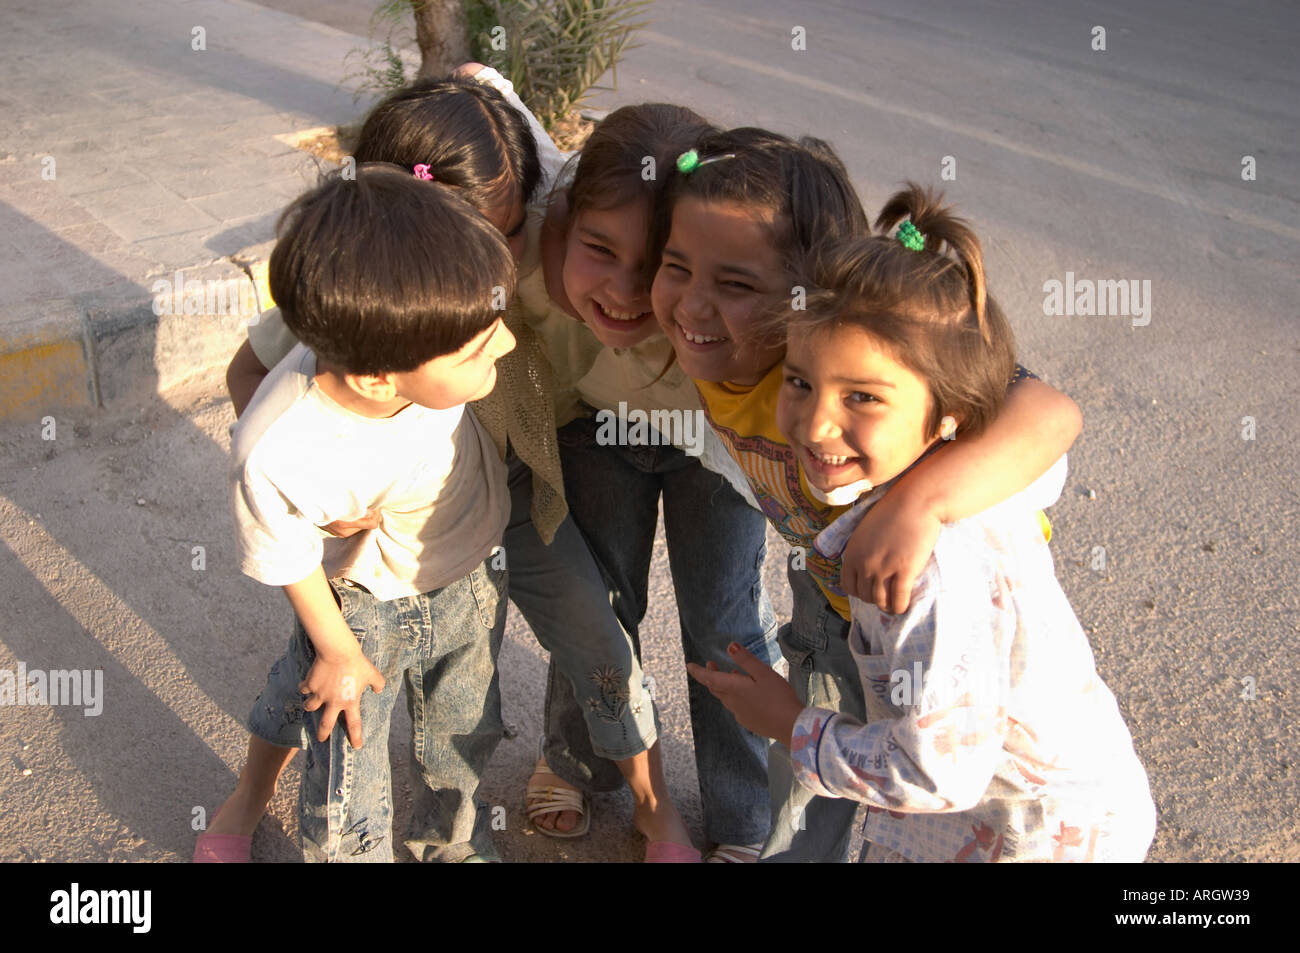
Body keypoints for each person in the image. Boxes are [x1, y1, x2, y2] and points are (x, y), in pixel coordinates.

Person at [203, 70, 695, 862]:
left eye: (502, 240)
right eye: (462, 238)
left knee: (583, 647)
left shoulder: (545, 243)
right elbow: (253, 390)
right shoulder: (370, 300)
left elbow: (552, 159)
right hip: (376, 558)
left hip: (505, 505)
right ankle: (249, 796)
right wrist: (324, 502)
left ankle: (652, 807)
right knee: (319, 687)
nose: (487, 279)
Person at [650, 130, 1084, 861]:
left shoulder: (869, 349)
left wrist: (922, 504)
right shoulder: (753, 343)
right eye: (675, 265)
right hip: (838, 604)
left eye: (734, 284)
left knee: (868, 762)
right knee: (823, 781)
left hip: (949, 652)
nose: (692, 303)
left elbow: (1052, 413)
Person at [227, 164, 517, 862]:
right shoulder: (278, 444)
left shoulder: (406, 333)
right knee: (345, 768)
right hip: (358, 607)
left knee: (460, 734)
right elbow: (288, 553)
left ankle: (449, 844)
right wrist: (337, 648)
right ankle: (268, 806)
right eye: (478, 347)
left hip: (469, 574)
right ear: (377, 377)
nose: (504, 345)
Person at [521, 102, 783, 862]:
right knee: (599, 599)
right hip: (596, 434)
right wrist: (485, 78)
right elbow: (517, 136)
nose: (628, 293)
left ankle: (744, 805)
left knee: (725, 619)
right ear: (564, 221)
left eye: (660, 264)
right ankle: (576, 756)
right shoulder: (538, 233)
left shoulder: (730, 317)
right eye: (600, 249)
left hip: (718, 451)